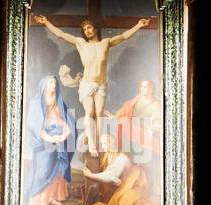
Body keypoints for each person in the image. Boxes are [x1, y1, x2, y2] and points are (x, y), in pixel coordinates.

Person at [33, 14, 151, 157]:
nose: (87, 31)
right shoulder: (80, 43)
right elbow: (61, 35)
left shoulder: (105, 43)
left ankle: (98, 141)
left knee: (99, 113)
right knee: (89, 112)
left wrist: (139, 25)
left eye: (89, 27)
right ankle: (92, 145)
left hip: (101, 85)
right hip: (87, 84)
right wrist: (46, 22)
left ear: (95, 29)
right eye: (84, 29)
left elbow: (123, 36)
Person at [24, 75, 75, 205]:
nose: (54, 85)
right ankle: (34, 199)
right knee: (43, 169)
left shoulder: (58, 103)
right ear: (44, 85)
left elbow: (68, 124)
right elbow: (36, 126)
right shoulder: (37, 103)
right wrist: (50, 138)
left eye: (54, 82)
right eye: (51, 82)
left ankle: (51, 197)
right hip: (44, 143)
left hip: (58, 144)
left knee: (58, 170)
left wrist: (62, 136)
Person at [83, 134, 152, 205]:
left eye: (104, 144)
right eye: (102, 144)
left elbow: (110, 176)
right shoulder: (108, 156)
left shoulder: (122, 158)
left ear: (111, 144)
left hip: (134, 185)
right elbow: (111, 175)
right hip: (123, 186)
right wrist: (115, 180)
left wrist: (90, 175)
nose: (102, 147)